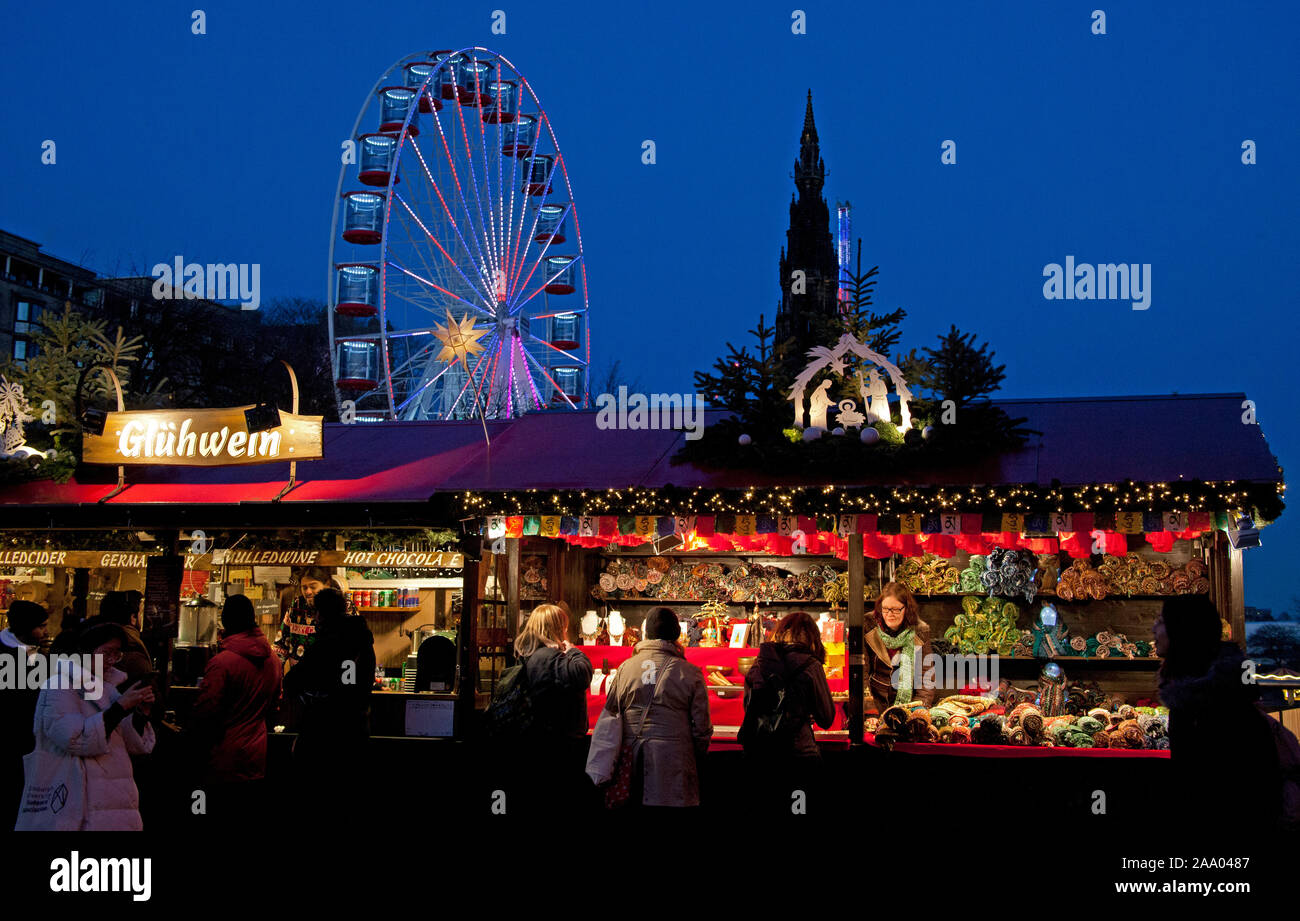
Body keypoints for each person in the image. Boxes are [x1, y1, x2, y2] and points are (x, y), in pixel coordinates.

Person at [1155, 594, 1282, 833]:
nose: (1154, 628)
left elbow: (1212, 789)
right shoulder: (1197, 694)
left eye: (1161, 620)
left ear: (1182, 631)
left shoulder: (1211, 703)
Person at [22, 623, 156, 830]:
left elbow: (129, 742)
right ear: (85, 652)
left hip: (115, 800)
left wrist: (140, 713)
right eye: (106, 652)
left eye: (117, 654)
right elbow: (74, 738)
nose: (112, 660)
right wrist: (121, 707)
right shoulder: (60, 686)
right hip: (76, 800)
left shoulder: (108, 688)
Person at [602, 607, 712, 808]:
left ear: (646, 633)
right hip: (674, 759)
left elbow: (611, 712)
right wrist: (693, 754)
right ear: (677, 633)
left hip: (632, 760)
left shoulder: (626, 668)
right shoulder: (690, 672)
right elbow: (702, 726)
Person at [188, 595, 281, 825]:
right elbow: (274, 705)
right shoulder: (273, 660)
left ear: (226, 621)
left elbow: (205, 714)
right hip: (257, 757)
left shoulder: (222, 663)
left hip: (221, 759)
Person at [281, 588, 375, 807]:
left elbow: (295, 681)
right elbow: (360, 685)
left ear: (321, 615)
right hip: (356, 730)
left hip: (324, 735)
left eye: (316, 613)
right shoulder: (362, 639)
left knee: (319, 796)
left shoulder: (328, 642)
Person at [741, 610, 836, 813]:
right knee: (799, 811)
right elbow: (827, 718)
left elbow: (749, 708)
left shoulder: (758, 666)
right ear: (813, 637)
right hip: (800, 755)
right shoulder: (811, 666)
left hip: (762, 757)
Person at [508, 603, 594, 812]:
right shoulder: (547, 657)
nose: (565, 631)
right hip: (556, 741)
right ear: (555, 628)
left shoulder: (532, 654)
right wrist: (574, 651)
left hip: (542, 737)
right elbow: (582, 675)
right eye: (563, 627)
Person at [1, 601, 48, 825]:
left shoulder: (37, 656)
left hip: (30, 742)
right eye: (41, 626)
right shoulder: (9, 658)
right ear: (25, 628)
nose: (45, 632)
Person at [864, 582, 936, 715]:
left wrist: (920, 708)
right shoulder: (868, 626)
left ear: (907, 608)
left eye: (896, 609)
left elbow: (926, 675)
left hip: (909, 704)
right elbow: (862, 674)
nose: (890, 614)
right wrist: (869, 711)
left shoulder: (920, 631)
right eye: (885, 609)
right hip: (875, 701)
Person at [83, 591, 153, 683]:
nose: (111, 659)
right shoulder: (134, 655)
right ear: (133, 617)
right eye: (141, 613)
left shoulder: (87, 638)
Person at [274, 566, 333, 667]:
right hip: (298, 677)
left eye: (313, 587)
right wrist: (275, 674)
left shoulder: (344, 607)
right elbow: (281, 646)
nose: (308, 592)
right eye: (304, 587)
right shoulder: (296, 605)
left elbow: (354, 651)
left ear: (327, 585)